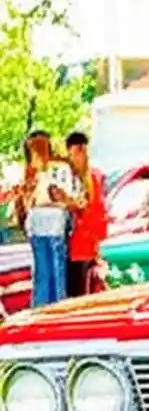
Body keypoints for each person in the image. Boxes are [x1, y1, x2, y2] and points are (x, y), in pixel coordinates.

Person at [15, 130, 84, 306]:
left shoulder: (59, 168)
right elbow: (26, 201)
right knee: (42, 270)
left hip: (54, 223)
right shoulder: (32, 172)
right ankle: (41, 306)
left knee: (55, 267)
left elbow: (69, 197)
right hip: (38, 224)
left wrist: (58, 199)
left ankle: (56, 305)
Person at [65, 131, 107, 297]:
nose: (80, 157)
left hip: (88, 243)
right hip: (80, 244)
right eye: (76, 153)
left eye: (82, 152)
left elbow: (91, 207)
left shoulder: (93, 177)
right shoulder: (71, 177)